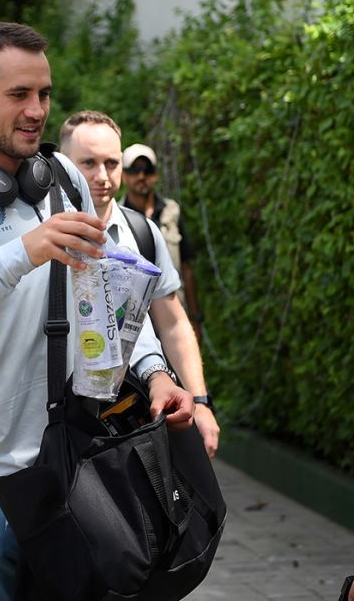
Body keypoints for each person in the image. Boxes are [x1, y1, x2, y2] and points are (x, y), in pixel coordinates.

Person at [0, 21, 193, 600]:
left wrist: (155, 371)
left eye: (44, 94)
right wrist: (19, 254)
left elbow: (112, 291)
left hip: (80, 472)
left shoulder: (64, 180)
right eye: (18, 94)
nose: (37, 111)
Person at [60, 110, 221, 457]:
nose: (102, 176)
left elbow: (172, 323)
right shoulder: (43, 235)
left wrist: (200, 401)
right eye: (88, 163)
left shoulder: (143, 233)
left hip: (128, 424)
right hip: (52, 427)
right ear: (63, 165)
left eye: (111, 163)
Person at [121, 143, 204, 339]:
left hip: (173, 310)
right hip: (133, 321)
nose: (141, 176)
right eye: (134, 170)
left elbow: (186, 266)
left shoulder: (171, 212)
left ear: (155, 174)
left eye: (147, 170)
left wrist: (195, 318)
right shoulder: (117, 216)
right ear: (123, 176)